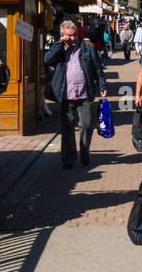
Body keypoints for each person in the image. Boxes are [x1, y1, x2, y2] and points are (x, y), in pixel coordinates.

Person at [44, 19, 107, 169]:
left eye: (74, 35)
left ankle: (84, 151)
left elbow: (98, 69)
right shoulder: (59, 50)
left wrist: (102, 85)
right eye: (69, 36)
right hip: (65, 95)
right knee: (67, 129)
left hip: (84, 94)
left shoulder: (87, 48)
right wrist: (59, 44)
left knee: (86, 125)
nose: (72, 38)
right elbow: (47, 60)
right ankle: (69, 159)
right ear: (63, 36)